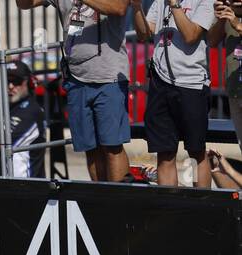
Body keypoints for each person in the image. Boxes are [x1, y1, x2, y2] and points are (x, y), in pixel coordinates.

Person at [16, 0, 132, 182]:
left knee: (112, 146)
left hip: (108, 76)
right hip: (76, 78)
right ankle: (100, 196)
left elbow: (119, 8)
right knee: (90, 148)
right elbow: (24, 4)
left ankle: (120, 198)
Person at [135, 0, 216, 187]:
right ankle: (170, 203)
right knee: (165, 153)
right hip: (160, 82)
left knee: (196, 152)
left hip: (191, 84)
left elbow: (191, 35)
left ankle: (201, 202)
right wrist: (136, 7)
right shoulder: (159, 2)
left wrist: (174, 5)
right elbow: (143, 34)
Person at [0, 61, 48, 177]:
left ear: (27, 83)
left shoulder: (31, 111)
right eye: (7, 81)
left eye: (16, 82)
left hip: (21, 185)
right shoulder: (3, 110)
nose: (10, 86)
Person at [209, 2, 242, 147]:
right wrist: (221, 19)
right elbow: (212, 41)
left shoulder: (235, 20)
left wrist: (238, 26)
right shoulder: (230, 14)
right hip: (235, 89)